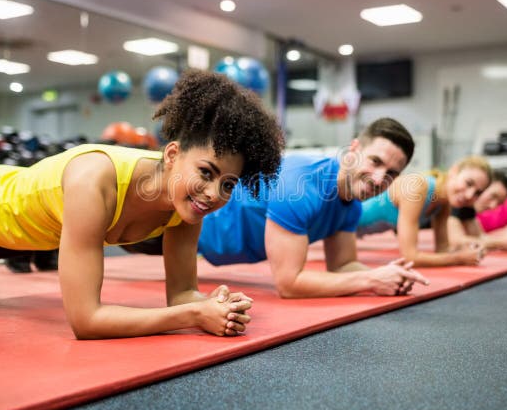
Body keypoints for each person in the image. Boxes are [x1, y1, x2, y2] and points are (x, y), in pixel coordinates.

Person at [0, 70, 284, 340]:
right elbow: (86, 320)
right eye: (207, 171)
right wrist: (194, 316)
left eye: (228, 183)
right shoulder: (95, 180)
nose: (214, 193)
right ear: (172, 154)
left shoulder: (186, 207)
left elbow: (181, 295)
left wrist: (216, 305)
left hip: (28, 240)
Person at [126, 118, 428, 298]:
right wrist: (371, 280)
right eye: (375, 161)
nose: (379, 178)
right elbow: (289, 283)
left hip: (201, 241)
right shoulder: (303, 186)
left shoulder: (350, 206)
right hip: (186, 215)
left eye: (391, 173)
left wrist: (386, 275)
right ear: (353, 151)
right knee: (108, 224)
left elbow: (343, 265)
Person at [355, 156, 492, 267]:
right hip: (337, 226)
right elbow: (410, 257)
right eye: (468, 183)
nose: (469, 195)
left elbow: (442, 249)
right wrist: (459, 258)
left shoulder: (443, 202)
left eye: (477, 193)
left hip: (349, 232)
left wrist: (467, 247)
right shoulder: (418, 187)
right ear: (453, 171)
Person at [447, 171, 507, 251]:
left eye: (499, 203)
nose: (493, 206)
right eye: (493, 196)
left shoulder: (468, 209)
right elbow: (457, 243)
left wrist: (506, 240)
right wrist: (500, 242)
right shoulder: (456, 202)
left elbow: (479, 237)